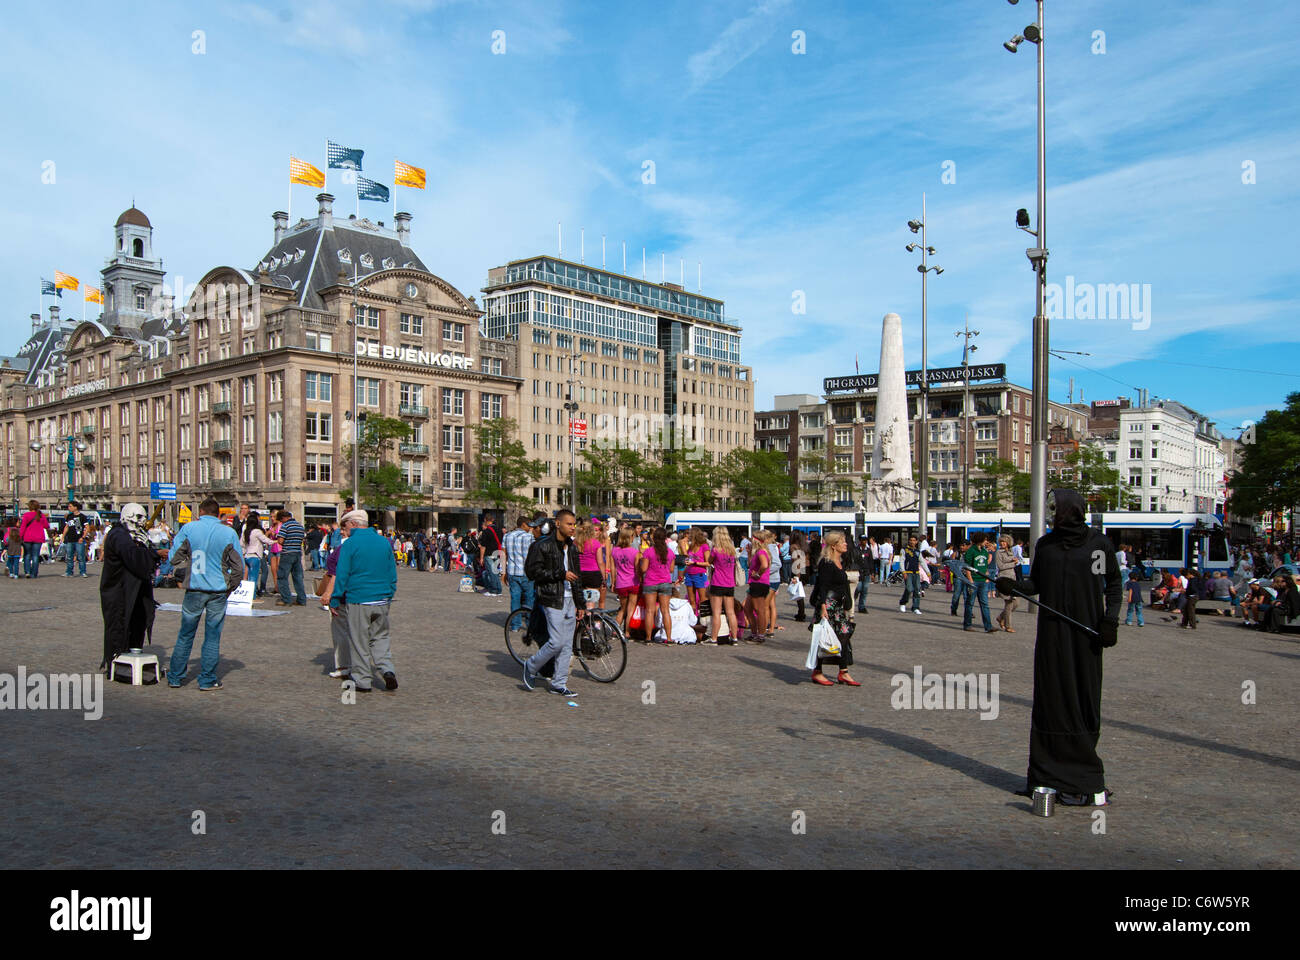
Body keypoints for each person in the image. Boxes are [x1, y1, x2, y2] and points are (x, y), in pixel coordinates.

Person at [998, 489, 1121, 807]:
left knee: (1083, 700)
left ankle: (1084, 775)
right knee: (1051, 701)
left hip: (1087, 636)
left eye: (1058, 509)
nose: (1054, 514)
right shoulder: (1047, 546)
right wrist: (1012, 586)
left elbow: (1113, 585)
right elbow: (1036, 584)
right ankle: (1046, 776)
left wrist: (1110, 621)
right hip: (1052, 637)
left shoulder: (1097, 545)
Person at [166, 498, 244, 690]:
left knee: (185, 633)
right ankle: (207, 679)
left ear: (200, 512)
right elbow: (238, 567)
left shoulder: (189, 529)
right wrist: (230, 587)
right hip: (218, 590)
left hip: (194, 587)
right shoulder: (228, 532)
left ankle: (175, 676)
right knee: (212, 636)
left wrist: (186, 563)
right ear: (218, 514)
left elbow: (173, 557)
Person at [330, 510, 399, 693]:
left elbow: (342, 574)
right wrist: (390, 592)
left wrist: (335, 598)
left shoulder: (350, 544)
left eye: (344, 527)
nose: (344, 531)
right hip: (382, 598)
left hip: (359, 598)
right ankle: (387, 669)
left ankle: (363, 680)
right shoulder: (384, 542)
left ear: (352, 524)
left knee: (359, 640)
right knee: (380, 637)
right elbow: (392, 571)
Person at [521, 508, 581, 698]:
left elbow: (577, 578)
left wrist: (581, 604)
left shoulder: (572, 547)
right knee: (556, 642)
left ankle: (559, 683)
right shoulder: (542, 545)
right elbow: (532, 572)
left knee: (567, 645)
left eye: (574, 524)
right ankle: (530, 666)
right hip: (551, 597)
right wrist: (559, 574)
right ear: (558, 523)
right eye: (569, 524)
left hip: (571, 599)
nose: (573, 528)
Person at [99, 503, 162, 673]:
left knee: (137, 622)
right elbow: (131, 557)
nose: (142, 522)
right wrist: (153, 554)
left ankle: (132, 655)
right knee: (118, 624)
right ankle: (116, 661)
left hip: (136, 590)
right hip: (119, 590)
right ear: (128, 516)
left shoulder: (132, 535)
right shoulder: (119, 535)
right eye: (139, 517)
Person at [808, 531, 858, 687]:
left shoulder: (839, 561)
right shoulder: (826, 563)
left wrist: (848, 604)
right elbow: (823, 586)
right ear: (834, 545)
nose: (846, 544)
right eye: (842, 542)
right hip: (827, 606)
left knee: (843, 637)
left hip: (837, 605)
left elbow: (843, 585)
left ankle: (843, 671)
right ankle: (818, 671)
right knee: (825, 639)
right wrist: (822, 606)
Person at [315, 513, 355, 679]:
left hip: (343, 594)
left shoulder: (346, 546)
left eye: (343, 528)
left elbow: (337, 572)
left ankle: (344, 665)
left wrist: (328, 593)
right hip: (359, 594)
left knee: (341, 631)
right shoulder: (356, 545)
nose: (341, 531)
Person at [638, 527, 676, 644]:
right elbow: (670, 570)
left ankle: (648, 638)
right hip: (665, 582)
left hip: (651, 582)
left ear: (653, 538)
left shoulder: (648, 551)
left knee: (649, 611)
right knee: (665, 611)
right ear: (665, 538)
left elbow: (644, 569)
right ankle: (669, 638)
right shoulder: (670, 553)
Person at [503, 515, 538, 630]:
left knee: (515, 599)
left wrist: (503, 572)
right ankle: (529, 624)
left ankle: (515, 625)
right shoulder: (529, 537)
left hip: (512, 571)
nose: (530, 527)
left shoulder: (507, 536)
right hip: (527, 572)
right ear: (523, 524)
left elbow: (503, 555)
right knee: (529, 599)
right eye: (529, 525)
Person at [706, 527, 740, 645]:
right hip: (729, 583)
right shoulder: (732, 551)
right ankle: (734, 637)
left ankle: (714, 638)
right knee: (731, 612)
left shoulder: (715, 550)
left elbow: (708, 562)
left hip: (717, 582)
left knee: (716, 613)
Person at [610, 525, 641, 634]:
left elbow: (613, 568)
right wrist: (641, 580)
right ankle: (627, 632)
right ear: (630, 537)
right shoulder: (635, 552)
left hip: (621, 583)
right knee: (631, 609)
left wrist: (613, 582)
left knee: (622, 609)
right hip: (633, 582)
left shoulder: (614, 551)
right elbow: (637, 570)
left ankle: (615, 631)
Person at [962, 532, 996, 633]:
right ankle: (967, 624)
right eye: (985, 540)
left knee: (984, 603)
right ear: (980, 540)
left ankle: (988, 626)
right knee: (970, 603)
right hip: (973, 580)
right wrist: (970, 581)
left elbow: (985, 566)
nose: (986, 542)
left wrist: (986, 577)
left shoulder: (984, 552)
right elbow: (967, 567)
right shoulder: (971, 551)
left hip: (982, 581)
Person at [741, 529, 771, 642]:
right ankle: (754, 633)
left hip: (759, 583)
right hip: (755, 583)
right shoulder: (757, 552)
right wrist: (749, 554)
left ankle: (761, 635)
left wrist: (758, 574)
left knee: (760, 610)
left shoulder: (761, 552)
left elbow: (764, 565)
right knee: (747, 608)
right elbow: (751, 565)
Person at [274, 509, 307, 606]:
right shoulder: (300, 526)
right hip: (297, 553)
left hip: (287, 553)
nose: (281, 522)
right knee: (298, 577)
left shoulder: (285, 526)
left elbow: (280, 541)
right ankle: (302, 599)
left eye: (281, 520)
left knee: (282, 577)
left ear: (283, 518)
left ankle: (286, 599)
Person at [241, 510, 276, 597]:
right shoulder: (256, 531)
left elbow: (241, 543)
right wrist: (276, 541)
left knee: (249, 577)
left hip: (247, 556)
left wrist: (243, 553)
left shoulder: (246, 531)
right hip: (255, 556)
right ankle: (252, 596)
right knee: (254, 578)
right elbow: (266, 540)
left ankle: (247, 595)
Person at [575, 519, 605, 612]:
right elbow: (600, 562)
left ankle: (578, 623)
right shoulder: (596, 543)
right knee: (590, 601)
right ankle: (589, 621)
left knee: (578, 602)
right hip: (593, 574)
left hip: (579, 573)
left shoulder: (575, 543)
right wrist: (603, 576)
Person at [994, 534, 1020, 633]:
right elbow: (1000, 566)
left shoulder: (1011, 551)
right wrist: (1013, 563)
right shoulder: (999, 553)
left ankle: (1001, 617)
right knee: (1008, 603)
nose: (1002, 543)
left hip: (1012, 579)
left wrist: (1016, 561)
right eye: (1001, 542)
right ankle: (1008, 626)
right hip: (1004, 579)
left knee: (1016, 603)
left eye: (1004, 542)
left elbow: (1014, 563)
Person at [682, 527, 711, 616]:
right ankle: (693, 619)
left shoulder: (704, 546)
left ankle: (704, 619)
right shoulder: (691, 546)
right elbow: (688, 558)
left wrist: (695, 563)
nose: (688, 536)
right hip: (689, 574)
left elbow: (708, 563)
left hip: (700, 574)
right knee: (691, 600)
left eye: (690, 534)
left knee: (703, 599)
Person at [19, 500, 49, 579]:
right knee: (35, 556)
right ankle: (34, 573)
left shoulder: (26, 515)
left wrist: (20, 536)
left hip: (27, 537)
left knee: (27, 555)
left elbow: (23, 527)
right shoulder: (41, 515)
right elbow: (46, 526)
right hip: (38, 538)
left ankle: (27, 572)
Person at [62, 501, 91, 578]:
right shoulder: (69, 516)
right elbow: (66, 527)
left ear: (75, 507)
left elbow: (87, 528)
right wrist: (63, 536)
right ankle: (69, 572)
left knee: (81, 556)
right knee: (69, 556)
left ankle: (83, 572)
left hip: (79, 539)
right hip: (70, 539)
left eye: (70, 506)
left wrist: (83, 537)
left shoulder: (82, 517)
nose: (69, 508)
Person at [898, 534, 923, 615]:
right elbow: (901, 561)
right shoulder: (904, 550)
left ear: (916, 542)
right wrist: (903, 571)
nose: (912, 542)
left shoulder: (917, 551)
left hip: (916, 572)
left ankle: (915, 607)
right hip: (908, 573)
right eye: (911, 540)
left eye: (914, 540)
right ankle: (903, 602)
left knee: (917, 590)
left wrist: (928, 573)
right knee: (909, 589)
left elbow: (922, 562)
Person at [479, 517, 504, 596]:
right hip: (497, 552)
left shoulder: (486, 531)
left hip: (489, 553)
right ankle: (499, 589)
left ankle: (493, 590)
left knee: (491, 572)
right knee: (495, 572)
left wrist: (481, 557)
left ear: (486, 520)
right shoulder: (500, 530)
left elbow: (483, 546)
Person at [789, 531, 809, 621]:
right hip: (804, 569)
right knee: (800, 592)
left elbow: (796, 561)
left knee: (798, 593)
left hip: (797, 570)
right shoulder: (804, 546)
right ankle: (801, 612)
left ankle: (801, 613)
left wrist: (796, 576)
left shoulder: (793, 546)